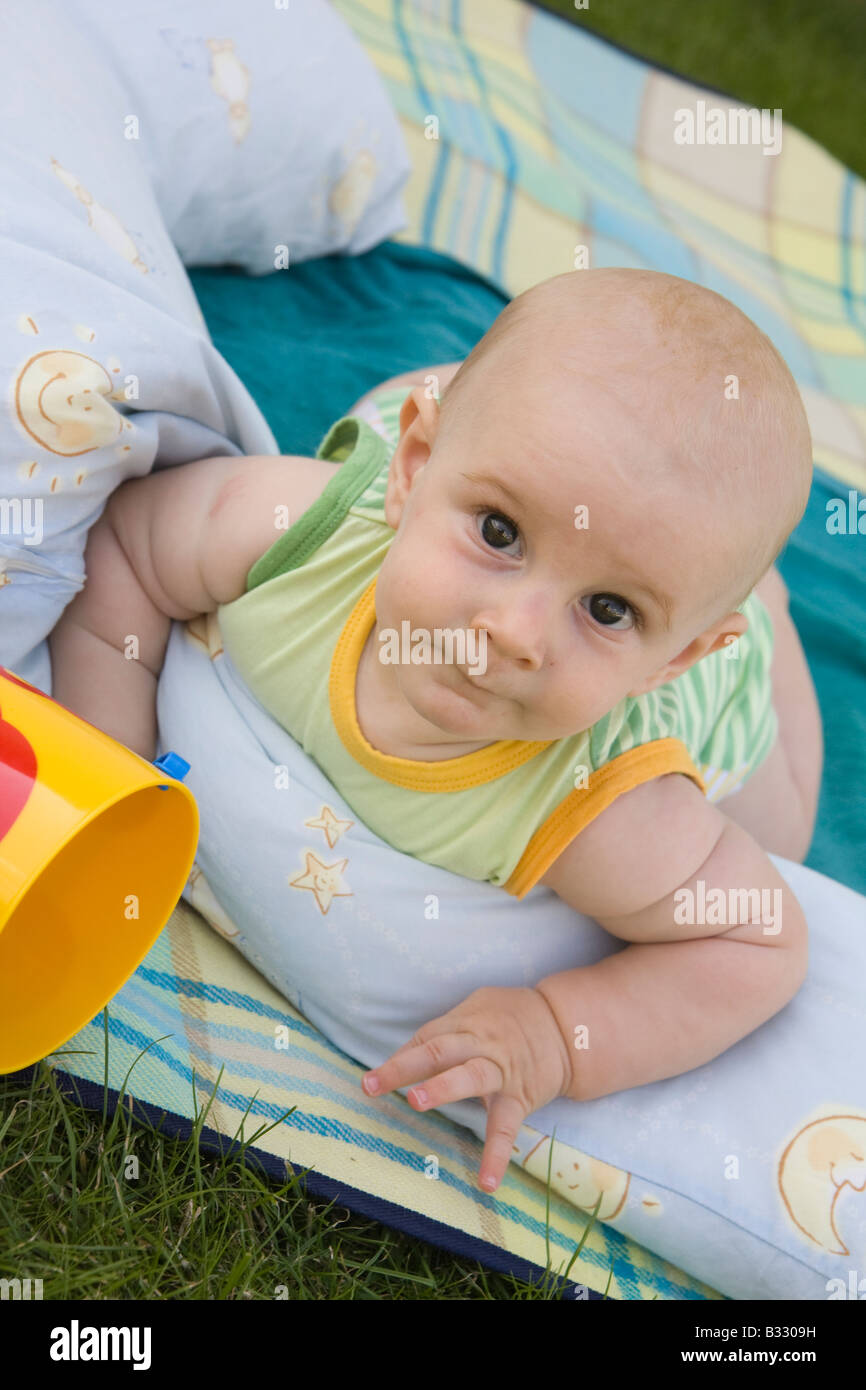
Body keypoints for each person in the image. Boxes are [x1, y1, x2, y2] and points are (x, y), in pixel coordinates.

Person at [48, 267, 824, 1193]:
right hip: (431, 435)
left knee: (789, 830)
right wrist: (109, 765)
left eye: (607, 609)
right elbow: (129, 542)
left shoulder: (608, 808)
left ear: (671, 656)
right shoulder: (300, 535)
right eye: (499, 533)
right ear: (411, 473)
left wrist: (553, 1035)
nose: (516, 633)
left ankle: (758, 600)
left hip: (726, 691)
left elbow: (755, 941)